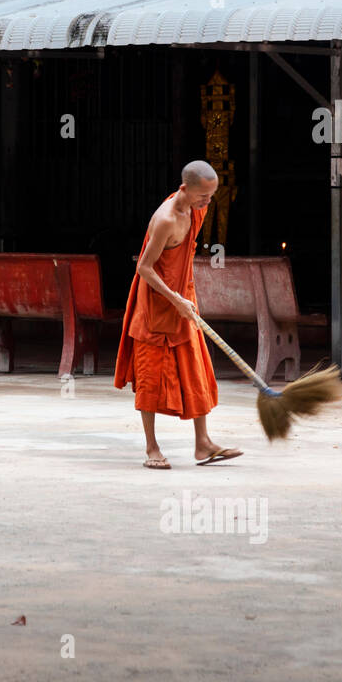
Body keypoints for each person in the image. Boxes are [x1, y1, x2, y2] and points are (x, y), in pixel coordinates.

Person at [114, 160, 242, 469]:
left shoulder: (197, 209)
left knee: (194, 366)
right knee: (150, 376)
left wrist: (185, 298)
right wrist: (174, 299)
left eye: (211, 196)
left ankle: (203, 444)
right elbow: (144, 267)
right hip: (157, 304)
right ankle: (152, 448)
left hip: (181, 297)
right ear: (185, 189)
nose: (207, 203)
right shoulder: (165, 219)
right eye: (203, 197)